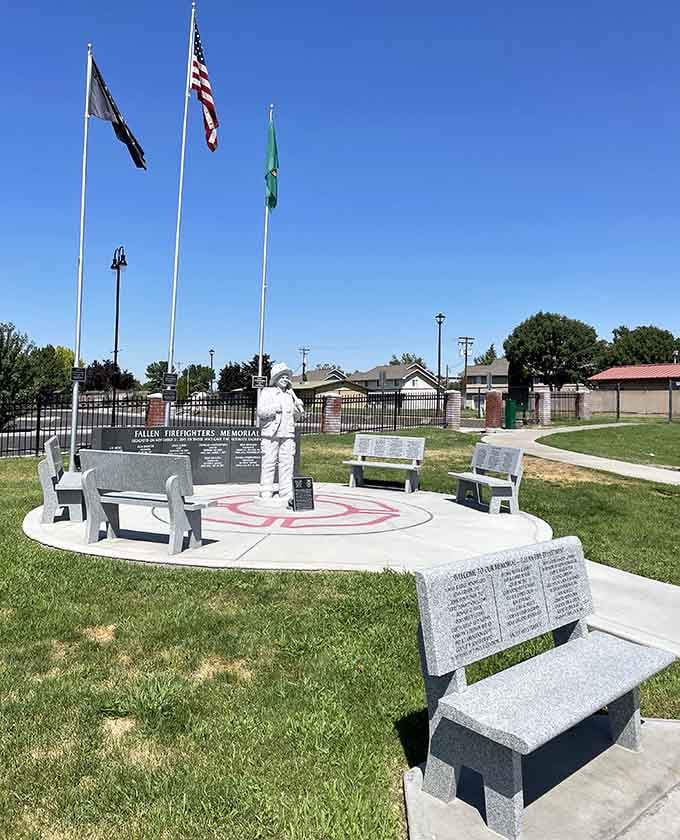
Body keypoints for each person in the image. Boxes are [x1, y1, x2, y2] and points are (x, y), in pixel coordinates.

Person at [257, 362, 305, 504]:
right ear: (276, 378)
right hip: (271, 434)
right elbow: (261, 412)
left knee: (287, 463)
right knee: (269, 462)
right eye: (282, 376)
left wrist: (298, 407)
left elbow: (296, 417)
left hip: (287, 434)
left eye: (287, 377)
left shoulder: (290, 396)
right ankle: (266, 489)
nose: (285, 379)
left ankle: (286, 490)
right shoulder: (267, 392)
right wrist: (275, 407)